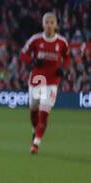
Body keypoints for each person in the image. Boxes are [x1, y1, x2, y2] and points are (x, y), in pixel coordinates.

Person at [20, 11, 71, 154]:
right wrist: (32, 61)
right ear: (43, 24)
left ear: (56, 25)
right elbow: (23, 54)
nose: (49, 25)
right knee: (33, 111)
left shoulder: (62, 42)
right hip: (37, 80)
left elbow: (67, 58)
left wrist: (63, 68)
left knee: (44, 113)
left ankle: (36, 143)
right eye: (47, 22)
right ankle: (34, 131)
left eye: (52, 23)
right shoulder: (35, 40)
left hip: (52, 81)